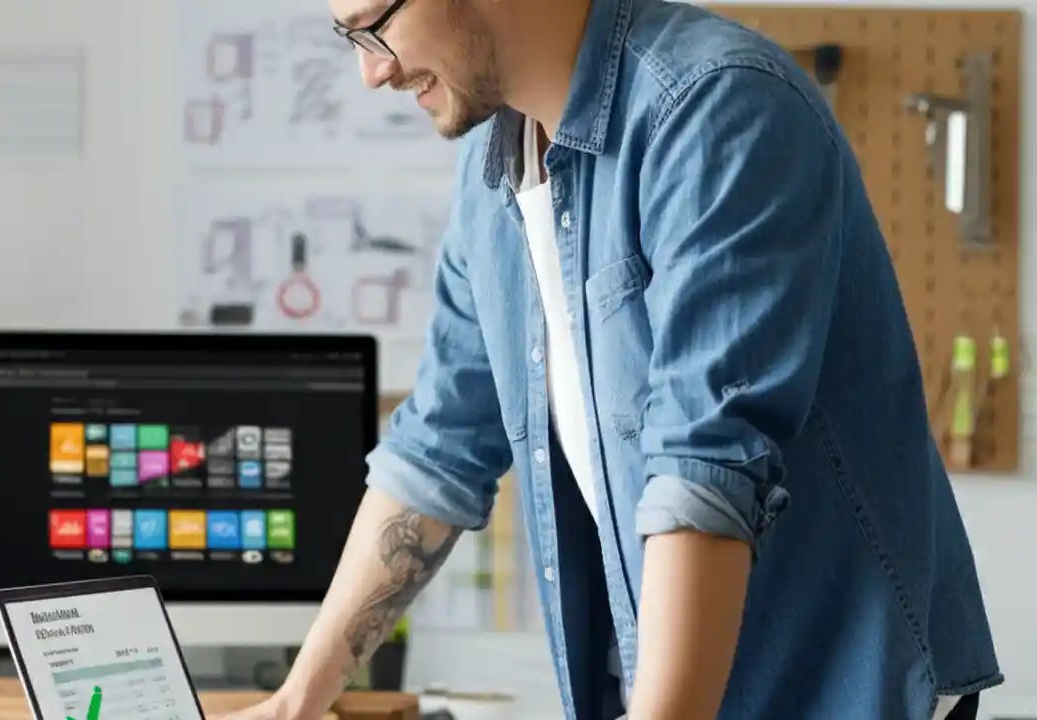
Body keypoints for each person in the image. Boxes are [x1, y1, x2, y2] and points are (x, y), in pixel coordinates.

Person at [217, 0, 1003, 717]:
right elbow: (439, 446)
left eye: (374, 23)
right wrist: (298, 702)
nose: (372, 68)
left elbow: (704, 464)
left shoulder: (719, 106)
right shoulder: (492, 172)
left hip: (839, 693)